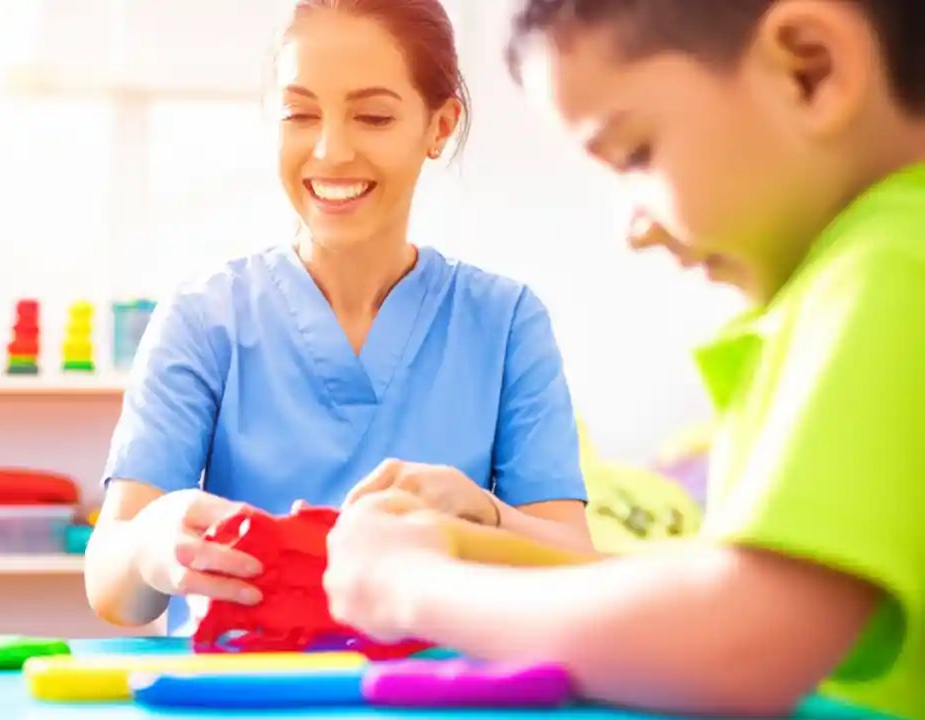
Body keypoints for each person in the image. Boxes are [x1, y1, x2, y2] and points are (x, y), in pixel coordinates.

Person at [322, 1, 925, 718]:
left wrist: (409, 587)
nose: (630, 229)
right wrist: (485, 530)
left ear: (810, 70)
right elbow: (712, 591)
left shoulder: (889, 267)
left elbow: (736, 639)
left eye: (635, 154)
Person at [85, 0, 594, 638]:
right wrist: (152, 545)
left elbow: (576, 565)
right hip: (245, 700)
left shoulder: (505, 322)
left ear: (440, 127)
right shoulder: (203, 317)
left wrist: (483, 515)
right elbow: (112, 589)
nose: (330, 151)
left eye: (373, 116)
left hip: (431, 700)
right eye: (300, 114)